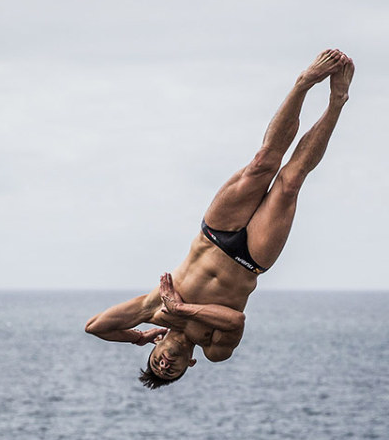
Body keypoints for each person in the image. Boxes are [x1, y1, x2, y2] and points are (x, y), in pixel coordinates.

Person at [84, 49, 354, 388]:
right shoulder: (213, 349)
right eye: (171, 371)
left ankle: (303, 83)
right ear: (190, 364)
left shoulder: (154, 309)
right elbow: (235, 320)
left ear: (156, 348)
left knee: (263, 163)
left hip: (214, 234)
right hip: (250, 259)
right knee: (290, 183)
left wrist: (138, 337)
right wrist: (181, 311)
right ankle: (337, 101)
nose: (166, 364)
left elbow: (95, 327)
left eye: (157, 362)